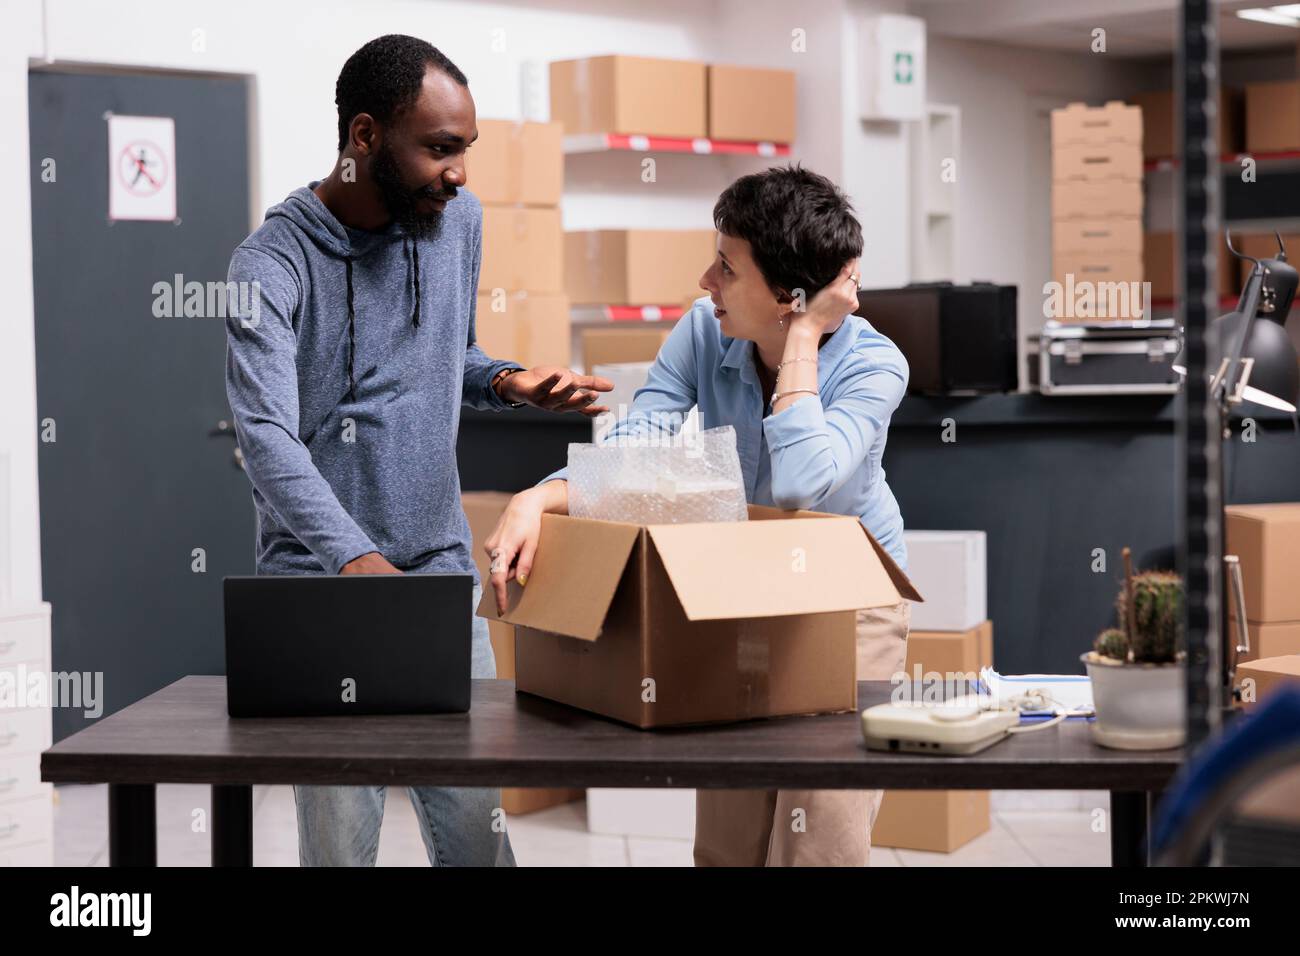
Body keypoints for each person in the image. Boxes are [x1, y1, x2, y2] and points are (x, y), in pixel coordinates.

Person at [223, 34, 610, 867]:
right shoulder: (269, 264)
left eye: (464, 149)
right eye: (439, 149)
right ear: (365, 137)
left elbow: (450, 355)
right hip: (321, 587)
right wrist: (356, 561)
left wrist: (507, 381)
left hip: (435, 574)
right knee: (340, 841)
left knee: (476, 834)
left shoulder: (452, 221)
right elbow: (265, 437)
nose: (459, 172)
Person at [484, 164, 911, 866]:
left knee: (816, 837)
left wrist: (801, 340)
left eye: (726, 267)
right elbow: (637, 440)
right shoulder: (702, 332)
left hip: (852, 601)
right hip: (748, 587)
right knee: (729, 832)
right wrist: (541, 495)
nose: (705, 282)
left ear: (789, 294)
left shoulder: (875, 366)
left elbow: (803, 484)